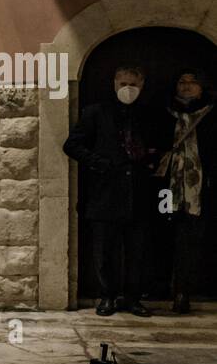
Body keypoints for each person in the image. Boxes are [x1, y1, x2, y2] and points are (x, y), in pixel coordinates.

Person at [63, 64, 164, 316]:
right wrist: (99, 163)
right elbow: (72, 145)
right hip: (105, 193)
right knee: (105, 250)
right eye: (123, 84)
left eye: (134, 84)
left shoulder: (149, 115)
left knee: (137, 252)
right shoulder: (96, 113)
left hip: (139, 194)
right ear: (114, 84)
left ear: (142, 87)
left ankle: (132, 298)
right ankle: (106, 296)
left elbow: (161, 144)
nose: (128, 89)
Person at [157, 69, 217, 314]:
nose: (187, 86)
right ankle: (161, 285)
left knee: (194, 237)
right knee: (164, 233)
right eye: (182, 82)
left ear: (202, 87)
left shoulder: (212, 114)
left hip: (201, 188)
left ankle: (186, 290)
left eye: (193, 82)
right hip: (167, 186)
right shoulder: (163, 113)